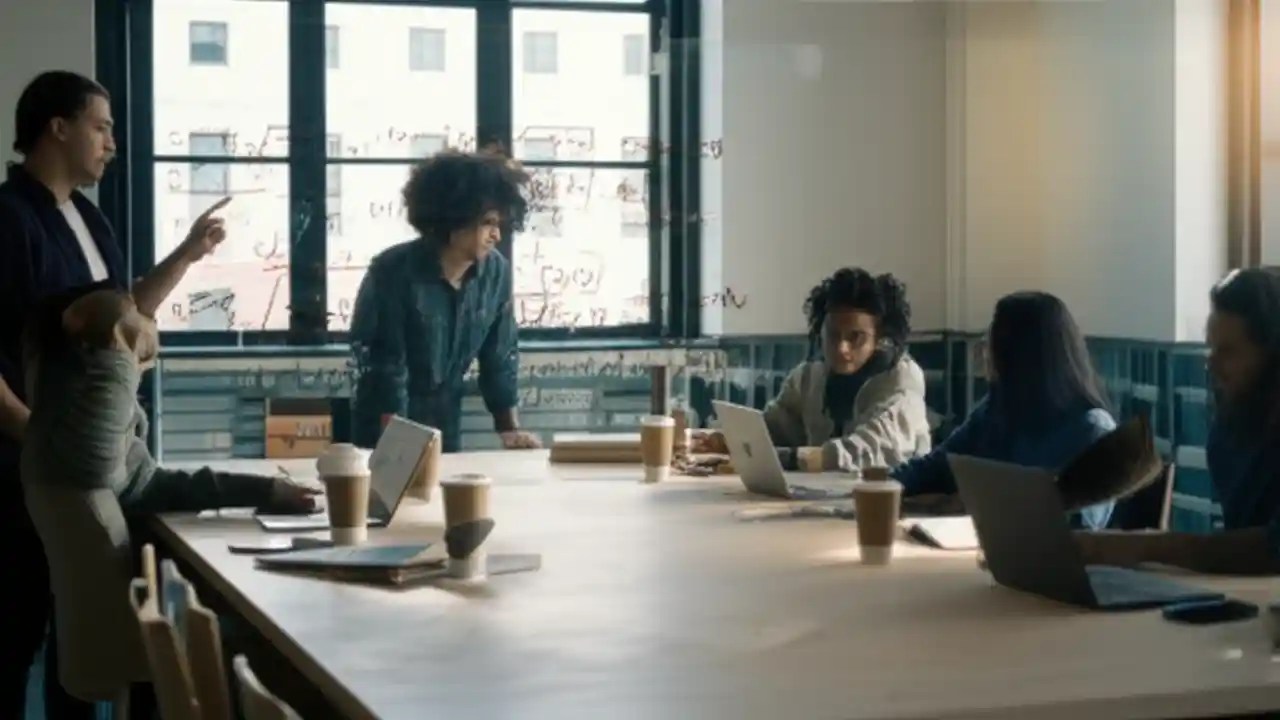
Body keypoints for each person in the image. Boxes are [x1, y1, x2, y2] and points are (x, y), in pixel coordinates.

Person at [0, 70, 230, 719]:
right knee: (17, 637)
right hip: (26, 469)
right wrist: (37, 437)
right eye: (101, 127)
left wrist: (188, 253)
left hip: (91, 465)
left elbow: (124, 319)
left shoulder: (88, 218)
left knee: (84, 640)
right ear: (58, 127)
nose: (111, 144)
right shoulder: (9, 219)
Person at [20, 283, 316, 705]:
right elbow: (102, 462)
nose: (147, 326)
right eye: (132, 325)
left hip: (137, 638)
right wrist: (123, 352)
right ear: (98, 358)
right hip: (154, 660)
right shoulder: (73, 453)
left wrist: (265, 489)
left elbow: (156, 482)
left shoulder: (74, 445)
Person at [1075, 268, 1280, 574]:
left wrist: (1145, 546)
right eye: (1210, 346)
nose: (1211, 364)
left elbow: (1272, 549)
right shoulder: (1229, 430)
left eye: (1228, 351)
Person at [350, 149, 540, 454]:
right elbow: (384, 371)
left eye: (501, 224)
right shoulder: (392, 271)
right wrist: (397, 454)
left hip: (447, 423)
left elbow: (500, 356)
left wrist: (510, 429)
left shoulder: (495, 272)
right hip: (384, 429)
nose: (496, 235)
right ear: (454, 219)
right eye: (488, 222)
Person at [890, 292, 1117, 530]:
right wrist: (882, 486)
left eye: (992, 342)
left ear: (1019, 354)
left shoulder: (1093, 431)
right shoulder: (995, 409)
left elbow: (1077, 524)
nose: (985, 353)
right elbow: (936, 467)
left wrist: (972, 503)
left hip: (1048, 563)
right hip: (977, 553)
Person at [724, 267, 932, 470]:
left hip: (890, 500)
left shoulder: (900, 381)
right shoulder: (808, 377)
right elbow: (774, 428)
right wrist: (725, 439)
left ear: (879, 339)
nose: (842, 348)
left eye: (856, 337)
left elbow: (871, 450)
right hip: (823, 499)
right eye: (833, 334)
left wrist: (789, 458)